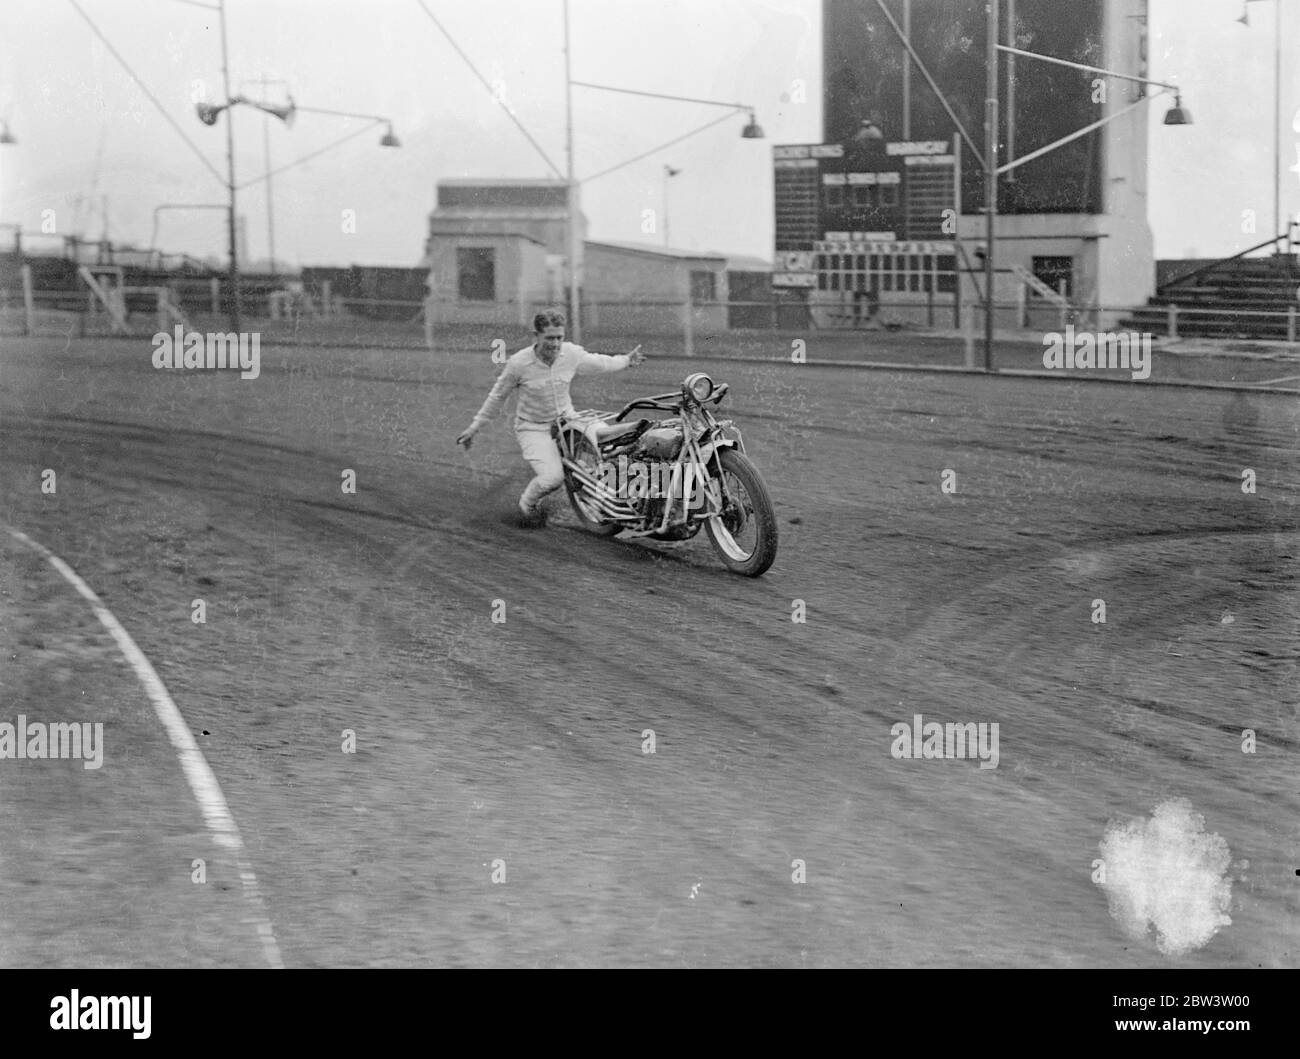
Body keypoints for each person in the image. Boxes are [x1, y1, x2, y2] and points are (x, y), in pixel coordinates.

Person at [456, 308, 647, 521]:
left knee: (609, 445)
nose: (555, 344)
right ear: (536, 336)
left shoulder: (571, 353)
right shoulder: (519, 363)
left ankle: (617, 504)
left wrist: (626, 360)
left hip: (569, 421)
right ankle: (526, 507)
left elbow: (600, 362)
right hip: (534, 428)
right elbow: (497, 396)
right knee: (552, 479)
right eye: (549, 338)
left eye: (559, 337)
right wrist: (474, 427)